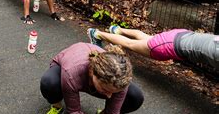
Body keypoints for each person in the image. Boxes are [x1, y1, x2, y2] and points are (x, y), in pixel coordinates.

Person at [40, 42, 143, 114]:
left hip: (102, 78)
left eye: (113, 92)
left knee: (135, 96)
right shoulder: (71, 73)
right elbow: (74, 111)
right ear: (92, 73)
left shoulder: (122, 78)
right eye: (106, 90)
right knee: (49, 83)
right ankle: (57, 106)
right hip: (65, 67)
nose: (109, 96)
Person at [87, 26, 219, 71]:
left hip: (181, 35)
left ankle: (117, 30)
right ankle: (97, 34)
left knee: (147, 38)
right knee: (130, 44)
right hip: (169, 46)